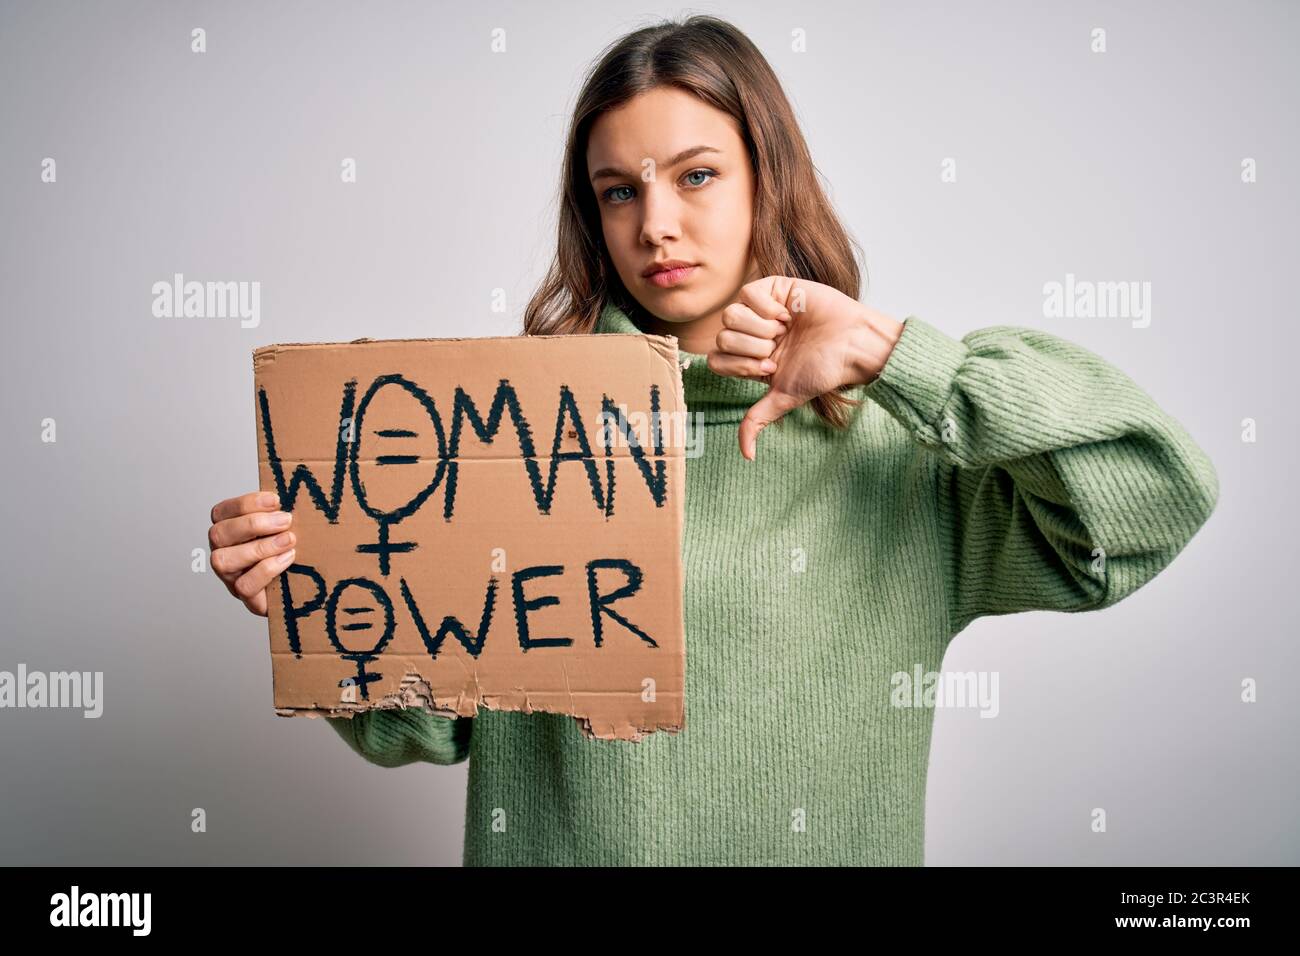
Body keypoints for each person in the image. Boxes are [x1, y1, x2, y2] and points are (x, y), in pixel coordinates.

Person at [207, 15, 1219, 865]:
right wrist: (318, 596)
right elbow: (424, 726)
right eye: (619, 191)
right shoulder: (510, 440)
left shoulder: (895, 449)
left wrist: (894, 355)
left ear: (765, 178)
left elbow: (1148, 495)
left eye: (695, 175)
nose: (656, 224)